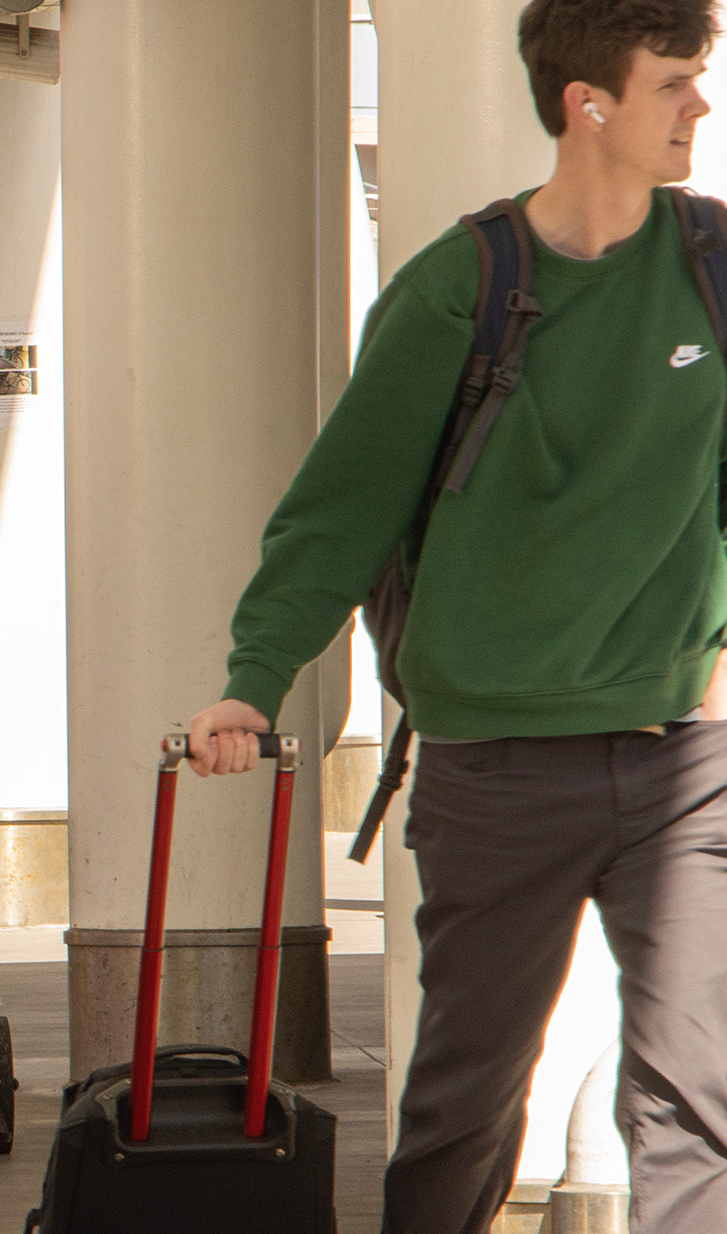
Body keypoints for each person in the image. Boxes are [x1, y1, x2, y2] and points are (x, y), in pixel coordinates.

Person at [183, 5, 727, 1228]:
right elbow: (340, 512)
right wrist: (252, 679)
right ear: (589, 103)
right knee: (467, 1100)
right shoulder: (462, 289)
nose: (701, 105)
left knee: (702, 1094)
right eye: (677, 83)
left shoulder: (715, 267)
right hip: (495, 769)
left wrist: (718, 647)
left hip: (682, 760)